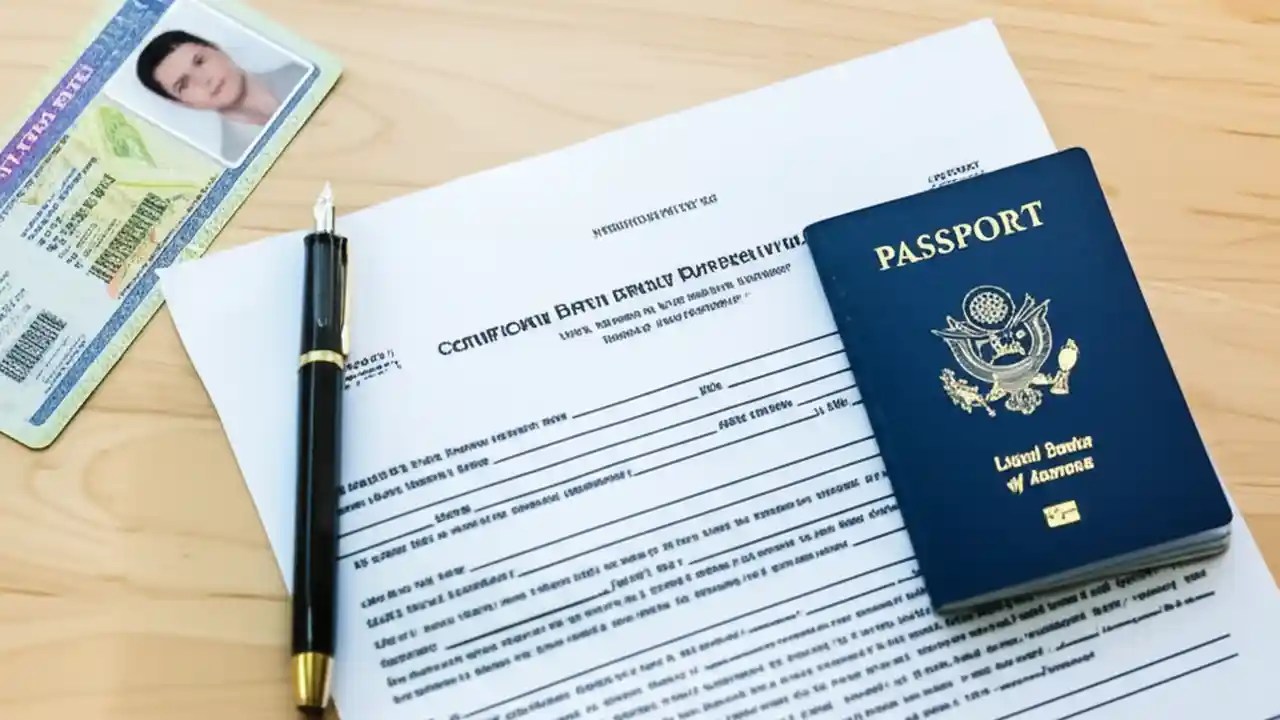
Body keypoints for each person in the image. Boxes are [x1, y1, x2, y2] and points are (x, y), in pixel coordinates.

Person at [136, 29, 306, 164]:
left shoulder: (300, 71)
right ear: (181, 103)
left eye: (200, 61)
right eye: (184, 85)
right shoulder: (237, 155)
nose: (205, 80)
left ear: (218, 49)